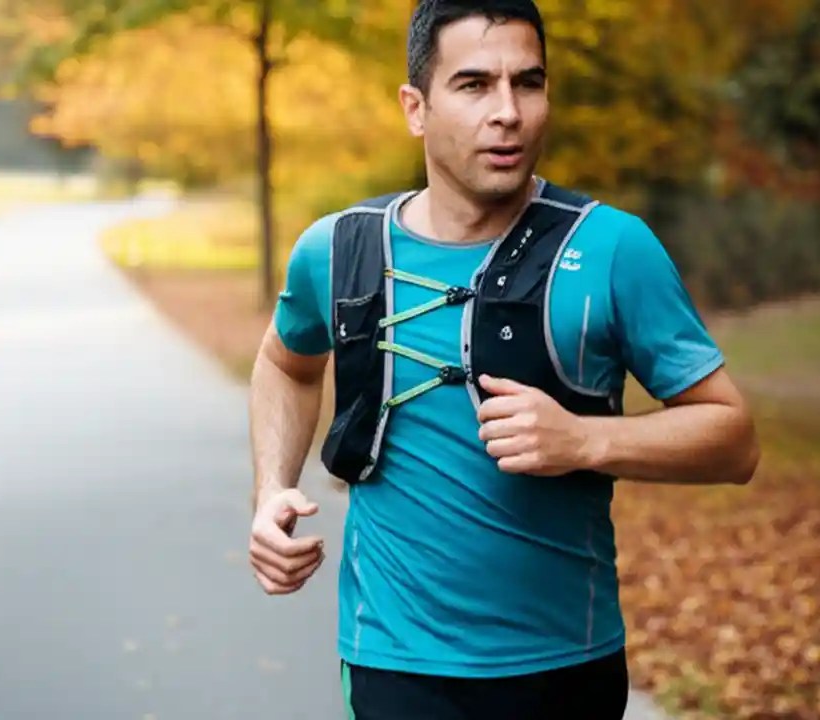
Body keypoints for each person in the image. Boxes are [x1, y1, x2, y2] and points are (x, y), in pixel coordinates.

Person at [246, 1, 760, 718]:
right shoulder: (336, 251)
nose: (509, 112)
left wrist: (586, 439)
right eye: (474, 85)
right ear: (416, 108)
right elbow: (285, 363)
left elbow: (733, 439)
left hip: (563, 668)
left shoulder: (613, 249)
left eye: (529, 82)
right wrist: (271, 490)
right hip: (393, 663)